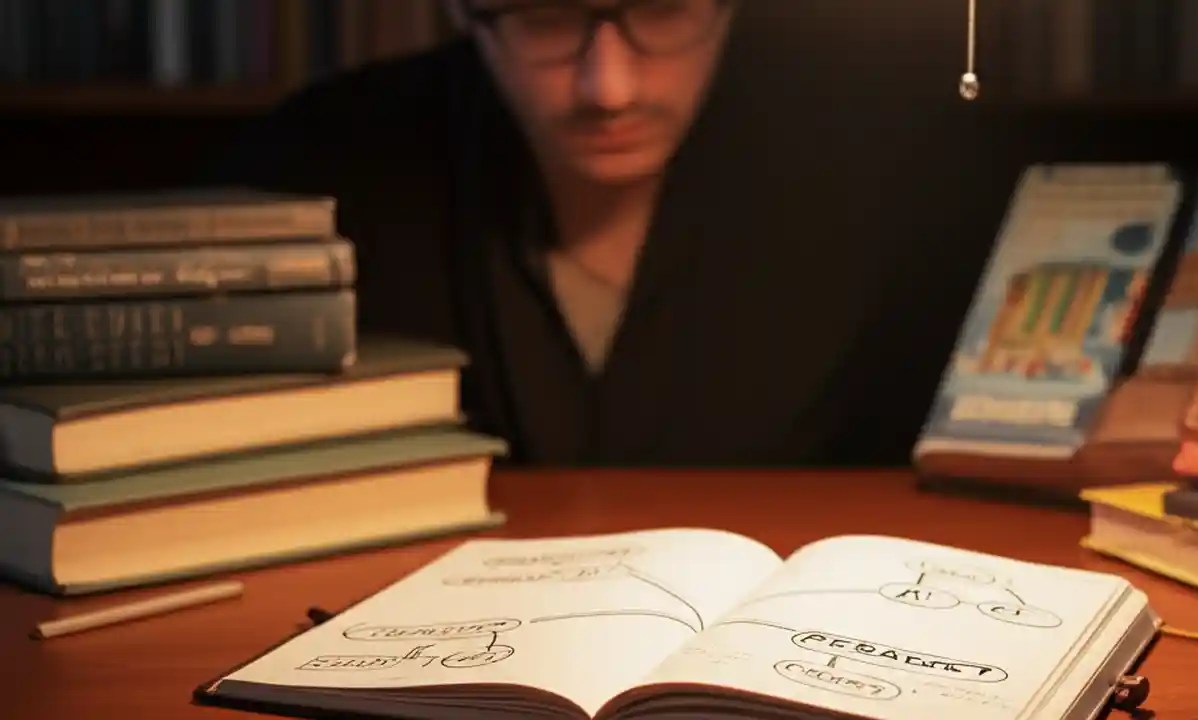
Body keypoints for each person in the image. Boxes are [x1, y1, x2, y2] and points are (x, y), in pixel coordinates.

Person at [203, 0, 1009, 467]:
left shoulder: (881, 166)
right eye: (549, 16)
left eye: (662, 7)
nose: (609, 87)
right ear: (466, 14)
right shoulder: (320, 167)